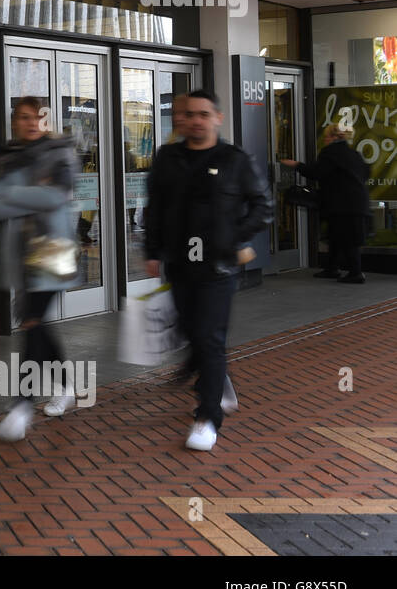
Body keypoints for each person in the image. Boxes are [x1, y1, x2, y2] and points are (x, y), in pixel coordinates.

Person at [144, 90, 273, 451]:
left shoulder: (235, 160)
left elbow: (263, 207)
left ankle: (207, 417)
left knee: (209, 336)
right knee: (191, 332)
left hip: (218, 266)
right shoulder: (168, 158)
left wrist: (232, 239)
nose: (196, 120)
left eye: (204, 114)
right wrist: (153, 250)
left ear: (218, 118)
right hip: (180, 263)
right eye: (189, 114)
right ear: (181, 118)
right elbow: (155, 207)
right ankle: (219, 381)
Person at [0, 97, 83, 441]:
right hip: (21, 252)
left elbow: (57, 197)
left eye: (37, 117)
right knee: (36, 323)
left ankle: (22, 405)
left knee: (32, 321)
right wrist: (34, 191)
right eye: (23, 117)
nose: (30, 123)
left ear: (47, 120)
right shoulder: (8, 154)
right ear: (15, 121)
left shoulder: (60, 151)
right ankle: (66, 387)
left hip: (54, 250)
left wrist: (16, 194)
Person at [281, 123, 370, 283]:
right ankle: (332, 268)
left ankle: (355, 273)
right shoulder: (354, 153)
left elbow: (317, 173)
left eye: (327, 136)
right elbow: (366, 172)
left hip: (342, 204)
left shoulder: (330, 153)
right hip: (357, 201)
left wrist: (296, 165)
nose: (325, 140)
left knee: (346, 238)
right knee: (337, 235)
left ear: (335, 137)